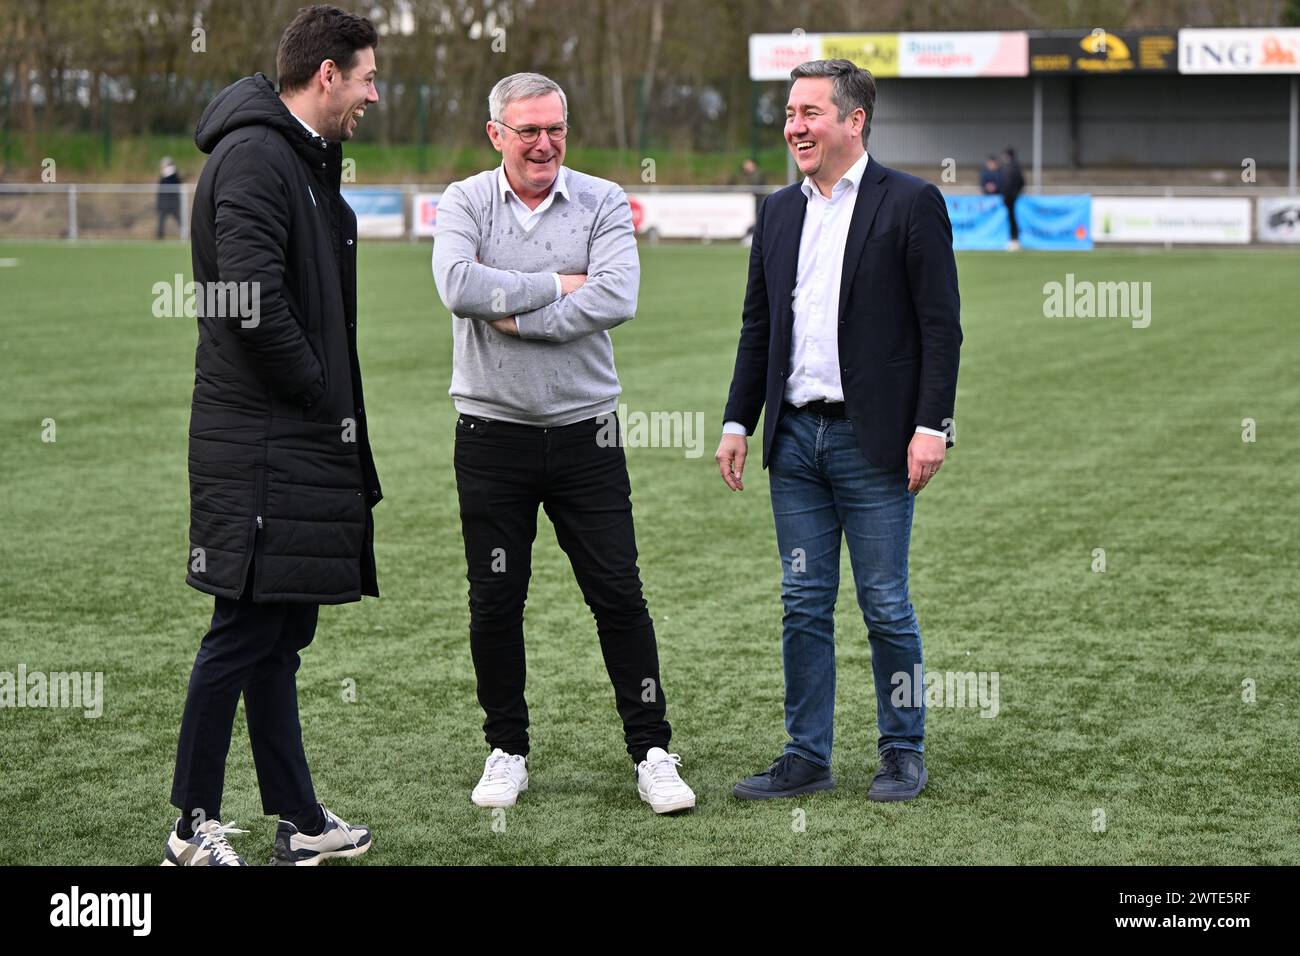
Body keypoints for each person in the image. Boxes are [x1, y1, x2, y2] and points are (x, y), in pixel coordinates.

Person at [432, 72, 695, 815]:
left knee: (618, 594)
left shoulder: (604, 199)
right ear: (496, 135)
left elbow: (617, 297)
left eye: (555, 129)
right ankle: (506, 748)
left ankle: (651, 749)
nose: (544, 143)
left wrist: (512, 310)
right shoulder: (464, 201)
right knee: (495, 600)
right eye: (527, 131)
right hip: (490, 435)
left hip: (588, 433)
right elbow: (457, 285)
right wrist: (561, 284)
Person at [166, 4, 382, 866]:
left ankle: (298, 819)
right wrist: (316, 388)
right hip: (260, 442)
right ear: (325, 74)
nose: (374, 93)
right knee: (244, 632)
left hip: (290, 441)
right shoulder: (257, 156)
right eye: (366, 76)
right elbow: (248, 303)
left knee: (279, 633)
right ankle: (191, 824)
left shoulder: (298, 159)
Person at [715, 59, 961, 803]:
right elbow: (759, 327)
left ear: (854, 122)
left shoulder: (912, 202)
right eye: (790, 112)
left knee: (885, 602)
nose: (795, 125)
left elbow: (941, 329)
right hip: (794, 443)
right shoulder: (778, 209)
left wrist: (932, 427)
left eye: (810, 112)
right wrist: (738, 420)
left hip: (876, 441)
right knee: (802, 601)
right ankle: (806, 756)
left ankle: (902, 749)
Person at [999, 147, 1025, 250]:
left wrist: (1014, 193)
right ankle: (1013, 240)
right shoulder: (1007, 168)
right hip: (1008, 197)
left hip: (1012, 198)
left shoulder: (1013, 168)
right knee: (1010, 219)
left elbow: (1021, 182)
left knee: (1013, 219)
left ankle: (1015, 240)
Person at [156, 157, 183, 238]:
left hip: (171, 202)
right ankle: (159, 235)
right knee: (162, 220)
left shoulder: (172, 175)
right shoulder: (166, 175)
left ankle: (184, 233)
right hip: (166, 202)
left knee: (179, 219)